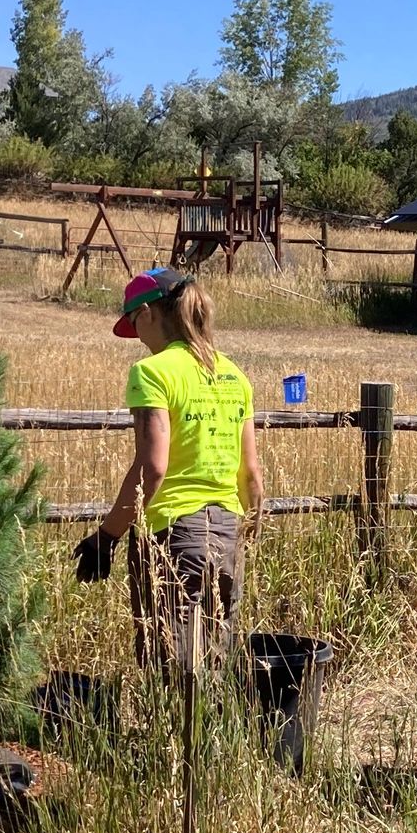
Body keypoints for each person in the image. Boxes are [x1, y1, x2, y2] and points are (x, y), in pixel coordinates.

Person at [73, 267, 263, 671]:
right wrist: (245, 526)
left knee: (170, 660)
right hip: (227, 533)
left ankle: (174, 737)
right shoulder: (233, 375)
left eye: (133, 323)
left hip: (173, 534)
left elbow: (153, 467)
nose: (137, 337)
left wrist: (106, 537)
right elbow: (250, 474)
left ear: (147, 314)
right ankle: (213, 734)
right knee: (214, 658)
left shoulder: (152, 373)